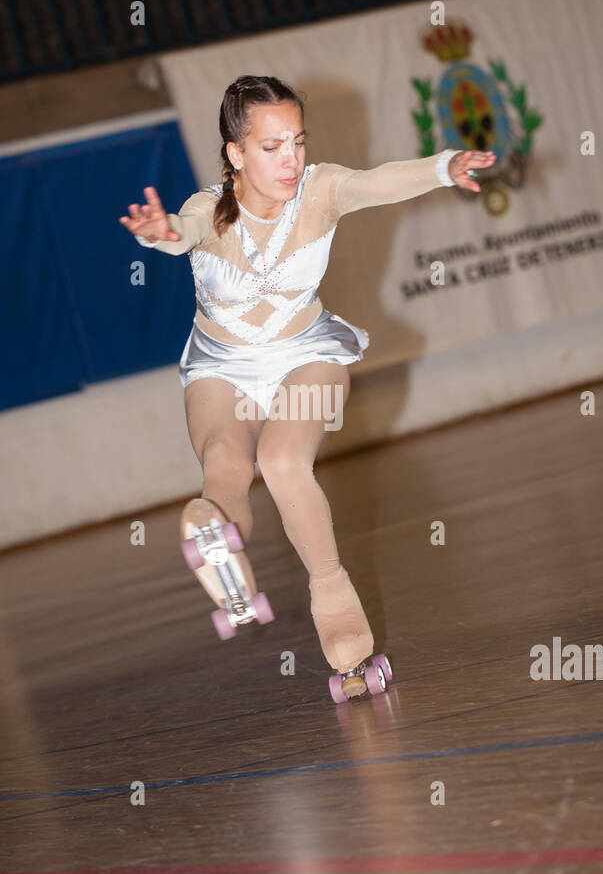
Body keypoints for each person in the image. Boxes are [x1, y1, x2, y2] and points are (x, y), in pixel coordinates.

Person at [119, 74, 494, 695]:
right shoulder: (205, 211)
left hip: (307, 351)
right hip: (222, 364)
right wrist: (158, 235)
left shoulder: (319, 191)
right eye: (272, 147)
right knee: (224, 465)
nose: (291, 158)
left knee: (284, 462)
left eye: (297, 140)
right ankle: (223, 551)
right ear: (236, 153)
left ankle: (333, 601)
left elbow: (378, 182)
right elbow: (179, 234)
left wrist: (444, 165)